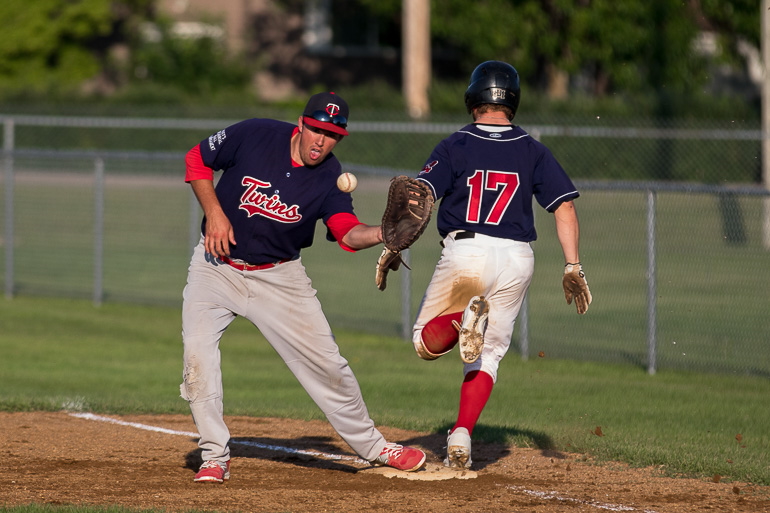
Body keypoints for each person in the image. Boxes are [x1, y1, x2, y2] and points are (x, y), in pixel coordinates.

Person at [180, 91, 426, 483]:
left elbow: (345, 232)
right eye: (316, 130)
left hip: (279, 277)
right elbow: (196, 159)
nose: (321, 141)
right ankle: (214, 455)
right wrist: (215, 213)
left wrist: (384, 233)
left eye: (332, 135)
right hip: (216, 267)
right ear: (301, 124)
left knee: (328, 364)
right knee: (198, 359)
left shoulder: (331, 177)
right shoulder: (255, 134)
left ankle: (375, 447)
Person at [409, 61, 592, 469]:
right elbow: (564, 207)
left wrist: (394, 242)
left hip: (468, 251)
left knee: (424, 342)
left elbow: (421, 196)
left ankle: (460, 320)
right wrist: (573, 266)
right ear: (513, 100)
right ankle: (461, 434)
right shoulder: (532, 148)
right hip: (517, 258)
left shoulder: (455, 144)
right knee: (486, 356)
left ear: (473, 97)